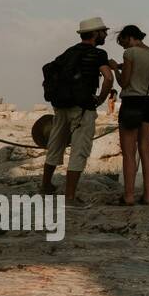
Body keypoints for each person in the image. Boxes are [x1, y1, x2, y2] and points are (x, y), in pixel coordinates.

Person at [42, 17, 115, 207]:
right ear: (95, 33)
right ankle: (70, 198)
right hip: (82, 108)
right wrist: (100, 99)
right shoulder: (98, 54)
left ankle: (46, 187)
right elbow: (108, 78)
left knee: (55, 144)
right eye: (103, 31)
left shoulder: (69, 52)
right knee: (79, 150)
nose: (106, 34)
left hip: (61, 106)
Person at [113, 24, 149, 206]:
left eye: (123, 42)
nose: (123, 46)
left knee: (128, 152)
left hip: (132, 102)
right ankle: (148, 195)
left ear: (130, 37)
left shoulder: (130, 53)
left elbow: (124, 83)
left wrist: (115, 69)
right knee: (146, 150)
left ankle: (129, 195)